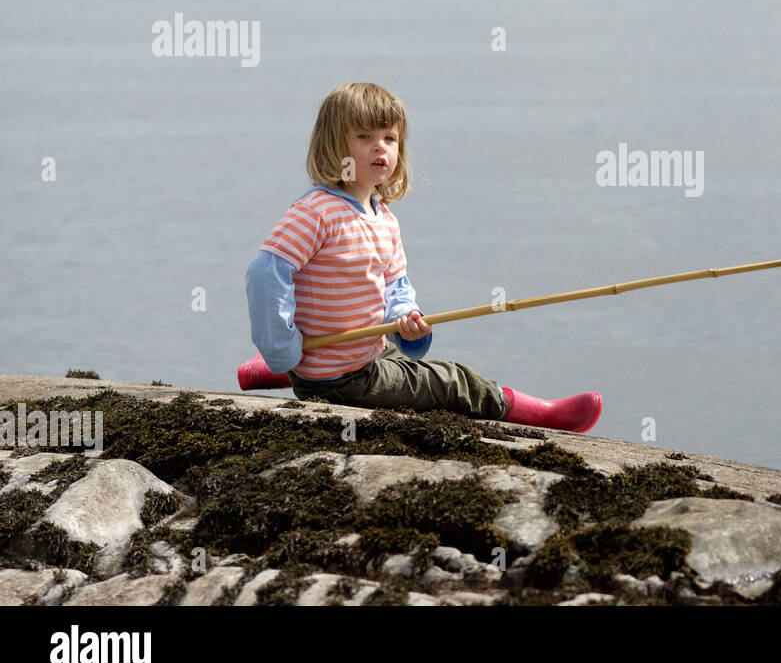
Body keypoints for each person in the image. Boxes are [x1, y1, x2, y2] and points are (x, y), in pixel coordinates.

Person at [238, 82, 602, 433]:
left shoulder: (383, 218)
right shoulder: (317, 212)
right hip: (339, 381)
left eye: (389, 138)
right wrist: (281, 345)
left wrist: (405, 319)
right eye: (364, 137)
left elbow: (395, 284)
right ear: (334, 146)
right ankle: (540, 414)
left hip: (362, 356)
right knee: (452, 381)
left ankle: (277, 369)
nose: (380, 148)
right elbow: (266, 274)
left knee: (399, 358)